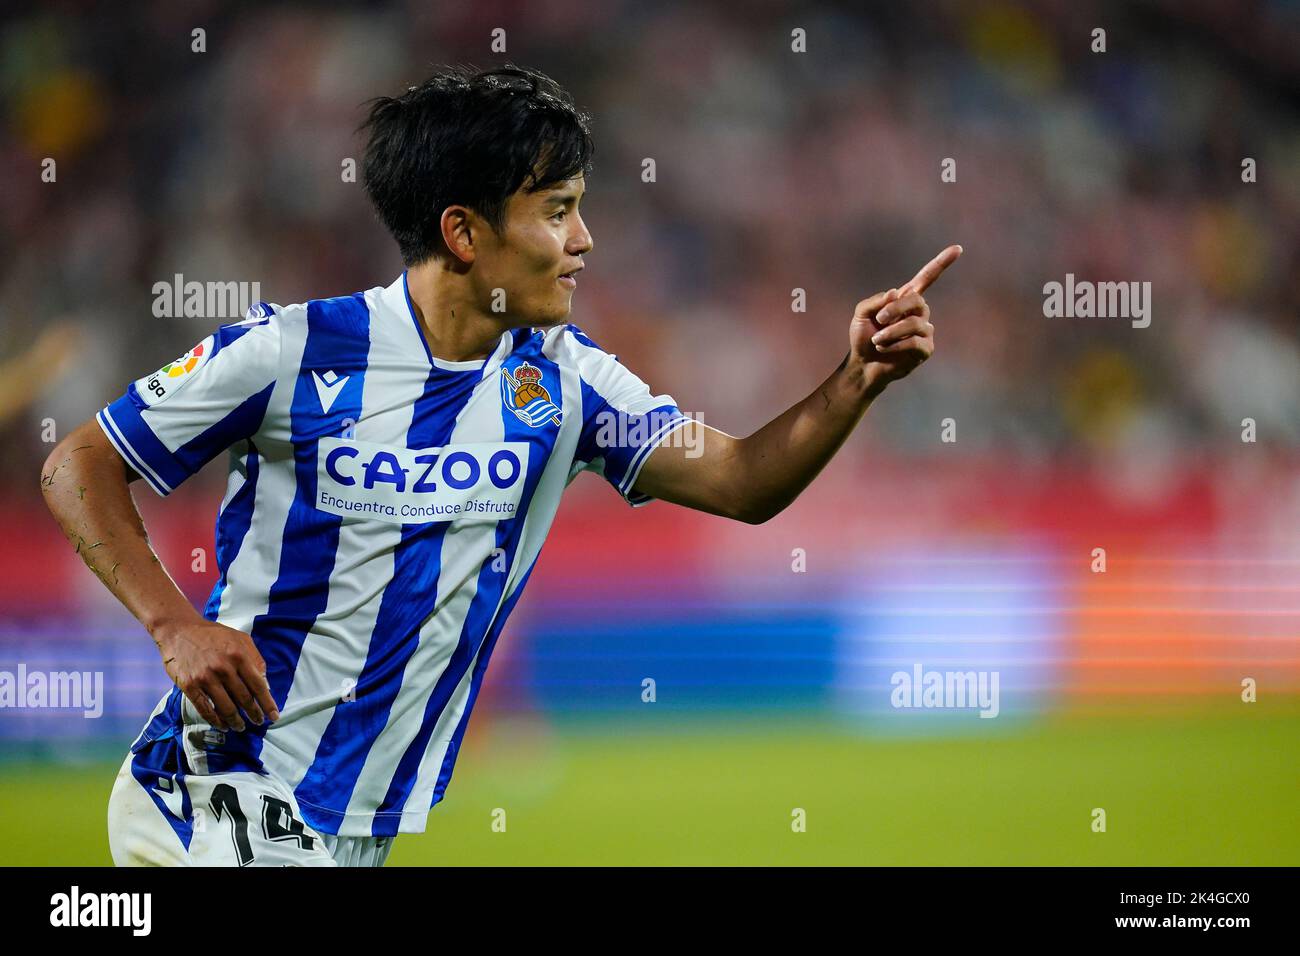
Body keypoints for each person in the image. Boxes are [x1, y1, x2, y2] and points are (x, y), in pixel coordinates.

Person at [40, 64, 959, 866]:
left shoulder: (567, 382)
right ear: (465, 233)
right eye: (558, 211)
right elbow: (78, 461)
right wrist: (173, 627)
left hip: (348, 825)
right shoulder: (294, 351)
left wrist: (856, 381)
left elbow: (740, 482)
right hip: (218, 795)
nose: (585, 239)